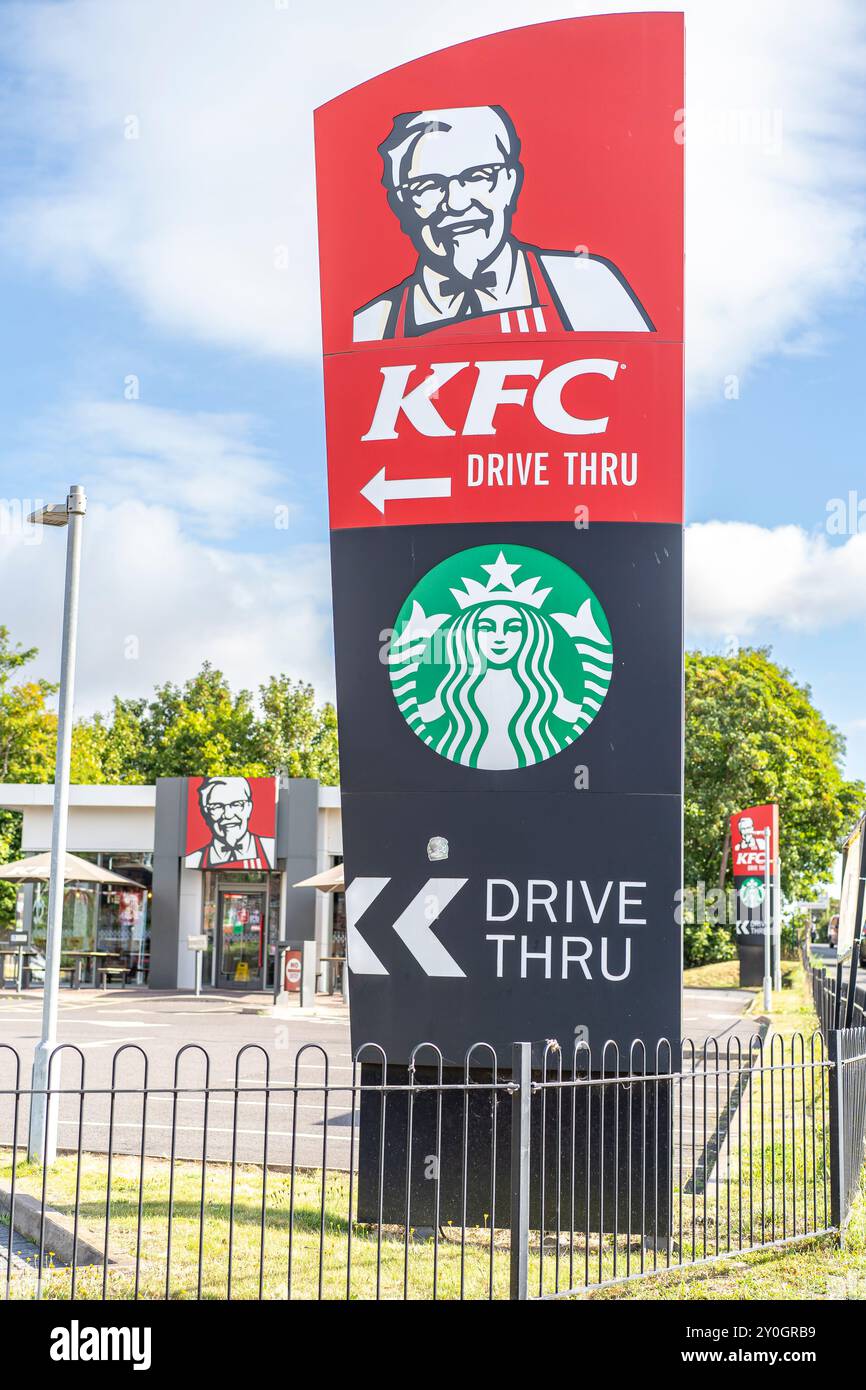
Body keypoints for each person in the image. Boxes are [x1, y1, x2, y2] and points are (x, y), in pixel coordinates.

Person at [354, 104, 654, 342]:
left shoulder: (582, 285)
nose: (456, 203)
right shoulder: (375, 324)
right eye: (428, 186)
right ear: (400, 204)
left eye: (478, 177)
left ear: (510, 183)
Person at [184, 776, 275, 870]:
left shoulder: (270, 849)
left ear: (249, 807)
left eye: (236, 804)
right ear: (206, 811)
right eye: (217, 806)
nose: (228, 815)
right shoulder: (194, 859)